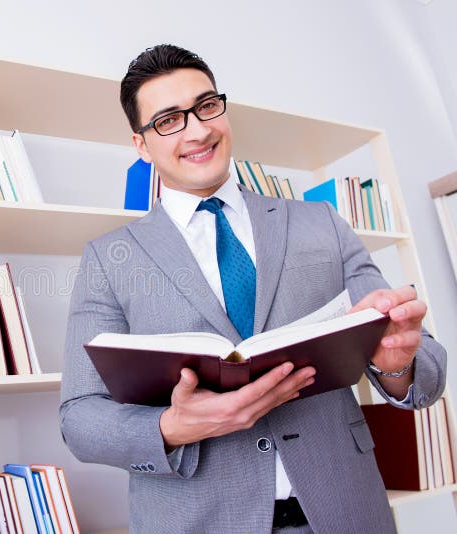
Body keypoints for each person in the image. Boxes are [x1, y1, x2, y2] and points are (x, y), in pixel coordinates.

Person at [59, 44, 447, 534]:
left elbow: (425, 371)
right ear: (141, 144)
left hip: (346, 513)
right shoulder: (108, 258)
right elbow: (79, 419)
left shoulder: (321, 223)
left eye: (206, 106)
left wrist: (396, 364)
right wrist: (172, 427)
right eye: (168, 120)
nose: (198, 131)